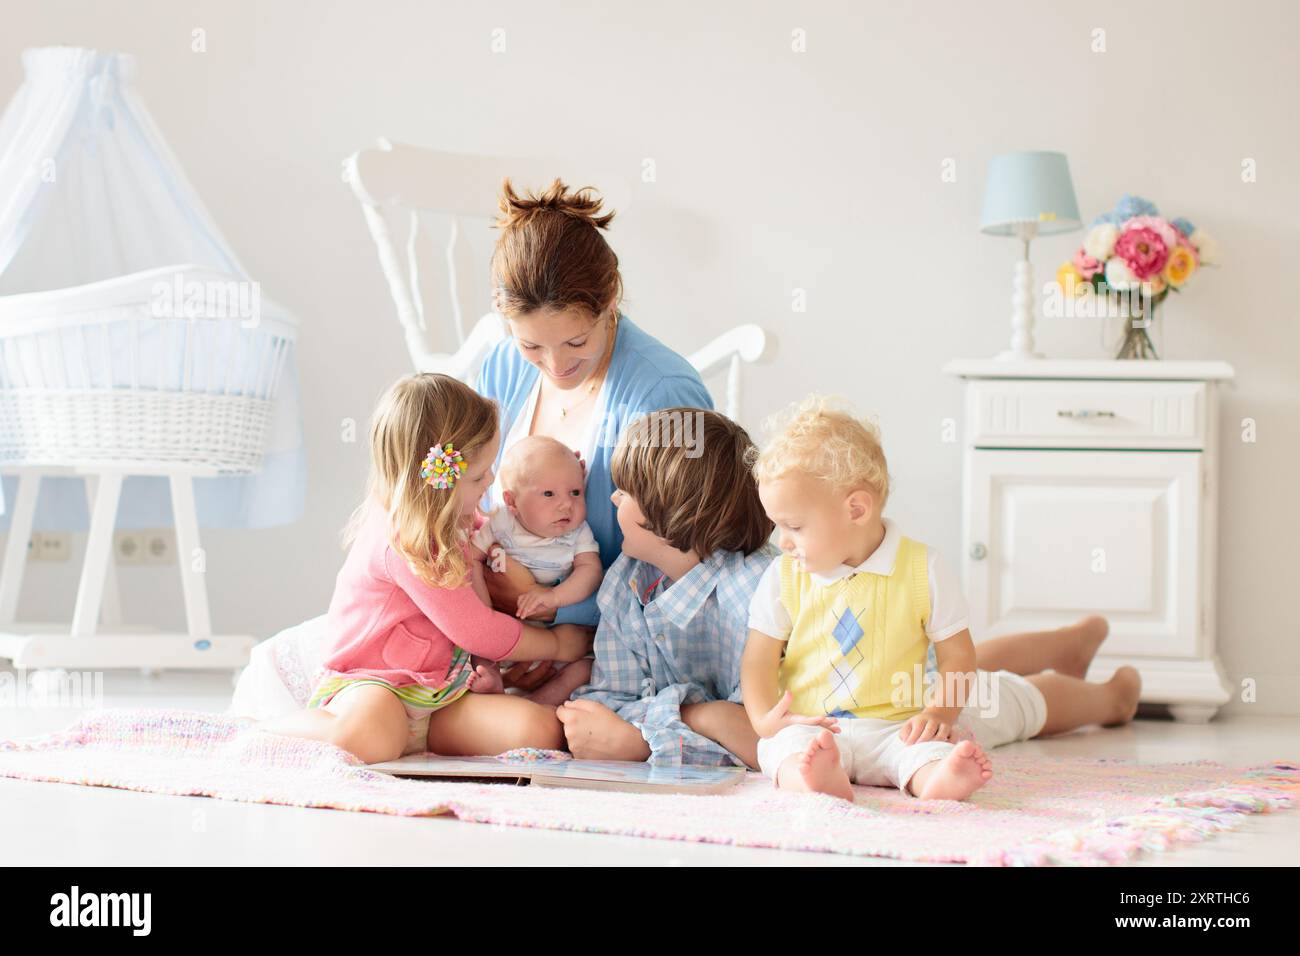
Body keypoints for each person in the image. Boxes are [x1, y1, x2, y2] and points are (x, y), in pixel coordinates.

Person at [261, 374, 590, 763]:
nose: (489, 482)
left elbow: (496, 556)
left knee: (538, 730)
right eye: (478, 476)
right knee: (371, 734)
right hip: (376, 684)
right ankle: (272, 731)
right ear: (438, 483)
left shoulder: (464, 522)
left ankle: (413, 740)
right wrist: (556, 644)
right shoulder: (403, 540)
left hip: (443, 693)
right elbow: (476, 630)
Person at [475, 179, 713, 655]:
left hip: (614, 643)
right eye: (531, 345)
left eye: (576, 342)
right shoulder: (501, 366)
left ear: (611, 301)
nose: (556, 364)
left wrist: (555, 612)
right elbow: (472, 499)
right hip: (499, 627)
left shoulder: (663, 396)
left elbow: (686, 569)